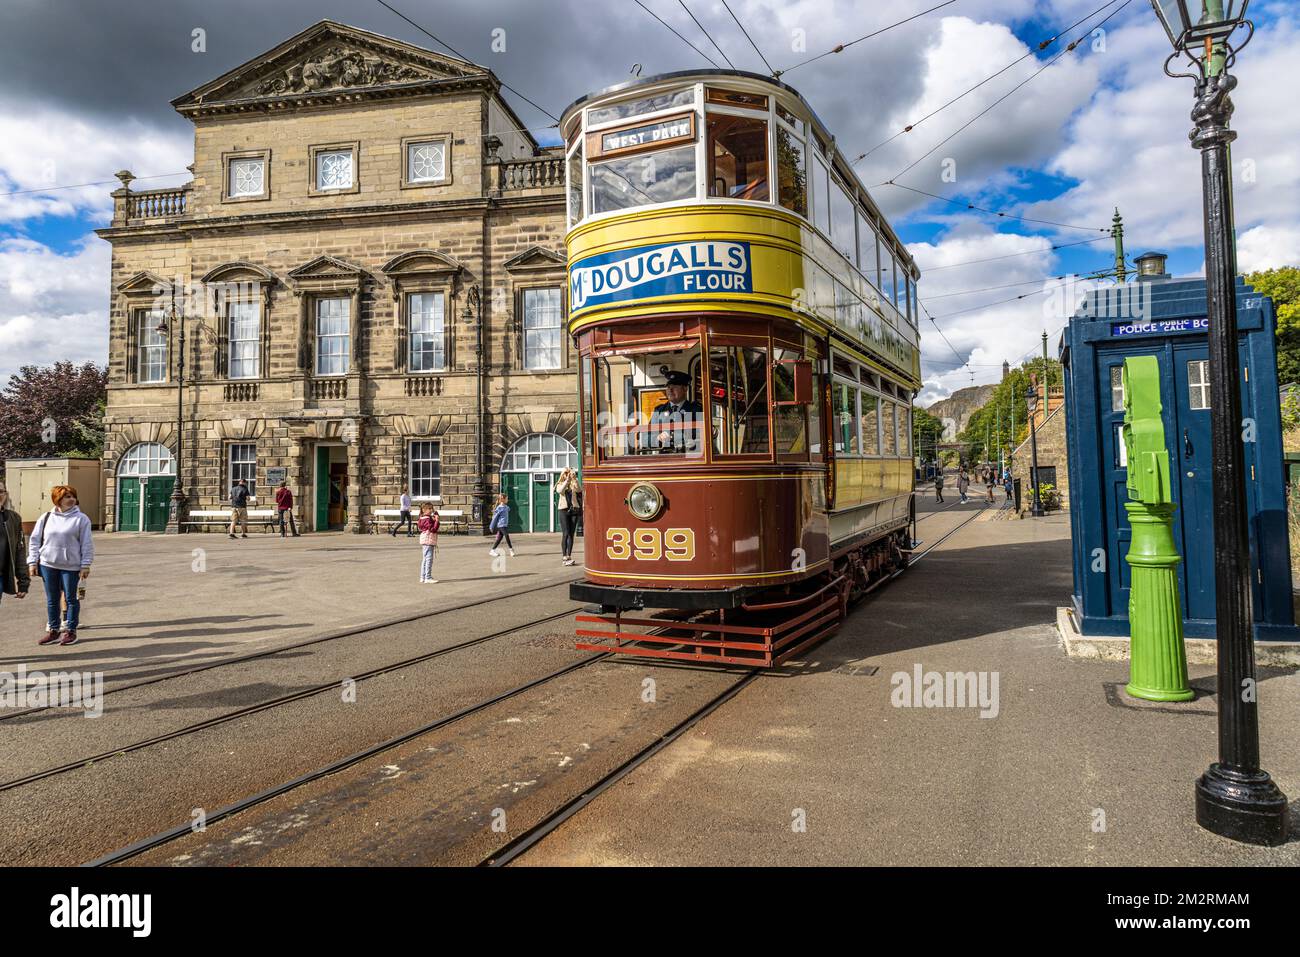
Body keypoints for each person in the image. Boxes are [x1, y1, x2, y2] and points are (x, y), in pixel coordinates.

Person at [26, 484, 93, 646]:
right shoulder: (46, 517)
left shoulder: (81, 519)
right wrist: (32, 561)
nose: (71, 500)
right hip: (48, 564)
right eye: (66, 497)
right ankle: (54, 631)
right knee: (52, 599)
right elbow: (35, 540)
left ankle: (70, 631)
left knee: (71, 599)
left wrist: (85, 564)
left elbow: (87, 544)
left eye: (72, 496)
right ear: (58, 499)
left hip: (71, 566)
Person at [647, 370, 702, 454]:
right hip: (665, 461)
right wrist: (657, 438)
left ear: (685, 389)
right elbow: (647, 437)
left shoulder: (695, 410)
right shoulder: (659, 410)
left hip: (689, 459)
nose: (670, 390)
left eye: (675, 386)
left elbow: (701, 435)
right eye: (668, 387)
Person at [0, 481, 30, 610]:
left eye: (1, 491)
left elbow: (20, 551)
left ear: (5, 494)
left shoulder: (13, 519)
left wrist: (23, 581)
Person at [555, 467, 582, 566]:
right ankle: (564, 556)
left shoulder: (574, 483)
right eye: (566, 473)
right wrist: (567, 480)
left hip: (574, 510)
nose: (568, 474)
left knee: (571, 534)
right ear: (563, 474)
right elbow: (560, 491)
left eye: (569, 473)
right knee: (565, 533)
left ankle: (569, 555)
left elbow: (579, 490)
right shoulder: (560, 484)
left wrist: (575, 479)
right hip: (563, 510)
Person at [417, 502, 439, 584]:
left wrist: (433, 519)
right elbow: (433, 529)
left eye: (431, 508)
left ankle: (423, 577)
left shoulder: (423, 518)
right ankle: (428, 577)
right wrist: (436, 521)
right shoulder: (427, 519)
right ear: (424, 510)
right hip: (428, 540)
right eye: (429, 509)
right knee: (429, 559)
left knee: (425, 559)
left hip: (425, 540)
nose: (431, 510)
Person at [488, 493, 514, 557]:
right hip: (501, 525)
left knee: (499, 539)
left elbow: (508, 509)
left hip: (505, 525)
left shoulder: (506, 507)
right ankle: (511, 549)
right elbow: (494, 518)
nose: (507, 500)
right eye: (506, 499)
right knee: (506, 535)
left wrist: (507, 508)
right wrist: (491, 526)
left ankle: (492, 550)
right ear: (503, 499)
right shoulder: (499, 508)